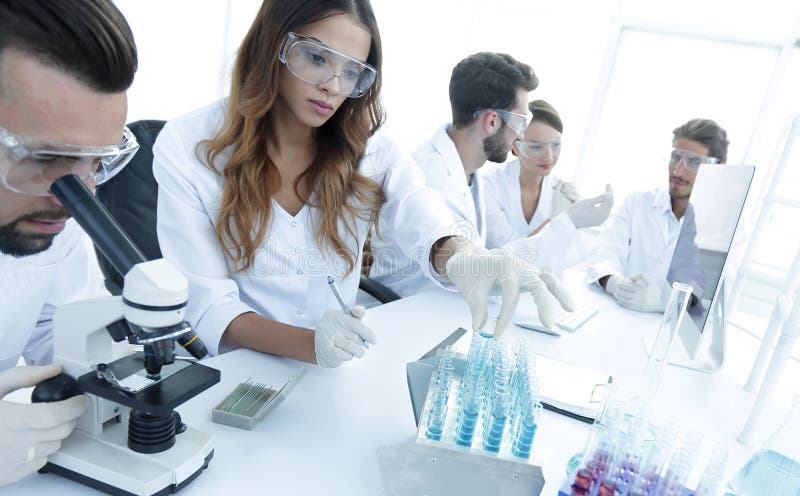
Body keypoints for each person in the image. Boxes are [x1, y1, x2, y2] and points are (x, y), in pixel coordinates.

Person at [153, 0, 573, 368]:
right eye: (317, 58)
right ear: (272, 45)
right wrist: (310, 344)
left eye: (353, 71)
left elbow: (421, 212)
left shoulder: (372, 151)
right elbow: (206, 304)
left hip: (333, 373)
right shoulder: (190, 145)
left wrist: (462, 258)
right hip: (237, 372)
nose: (334, 87)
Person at [0, 0, 139, 485]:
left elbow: (54, 328)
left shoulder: (43, 215)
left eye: (96, 161)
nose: (75, 199)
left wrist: (116, 369)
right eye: (47, 157)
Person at [586, 118, 728, 312]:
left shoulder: (728, 226)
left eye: (694, 162)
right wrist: (615, 285)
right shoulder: (636, 203)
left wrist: (662, 302)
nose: (678, 171)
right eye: (676, 157)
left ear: (717, 167)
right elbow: (603, 255)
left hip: (670, 334)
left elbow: (711, 292)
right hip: (617, 315)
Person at [480, 100, 613, 272]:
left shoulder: (562, 193)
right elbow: (511, 255)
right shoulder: (489, 187)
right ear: (515, 146)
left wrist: (575, 220)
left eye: (555, 144)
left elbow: (565, 258)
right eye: (536, 147)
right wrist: (559, 220)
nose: (549, 156)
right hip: (496, 284)